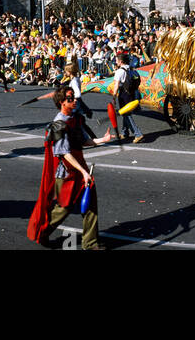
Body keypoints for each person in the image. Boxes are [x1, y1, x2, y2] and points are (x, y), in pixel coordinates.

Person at [27, 87, 114, 249]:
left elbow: (84, 141)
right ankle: (43, 231)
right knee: (64, 208)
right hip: (66, 172)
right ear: (61, 103)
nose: (74, 100)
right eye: (70, 99)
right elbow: (64, 153)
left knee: (90, 204)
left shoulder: (75, 119)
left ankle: (90, 242)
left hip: (79, 167)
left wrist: (103, 139)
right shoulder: (58, 124)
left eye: (73, 97)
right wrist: (83, 172)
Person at [110, 53, 142, 142]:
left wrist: (114, 97)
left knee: (126, 114)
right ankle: (125, 133)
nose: (115, 62)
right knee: (125, 113)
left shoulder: (119, 71)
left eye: (116, 60)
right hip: (131, 92)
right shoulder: (131, 68)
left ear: (120, 61)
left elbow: (116, 85)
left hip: (124, 94)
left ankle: (138, 134)